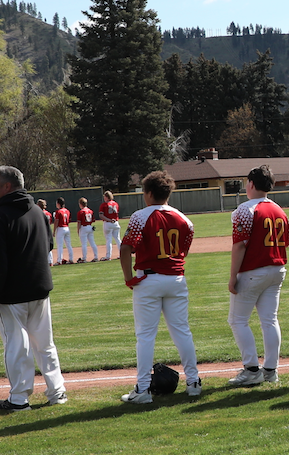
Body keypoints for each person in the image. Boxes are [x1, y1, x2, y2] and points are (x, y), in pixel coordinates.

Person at [0, 165, 67, 411]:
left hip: (12, 295)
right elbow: (48, 245)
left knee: (17, 346)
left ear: (7, 187)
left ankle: (19, 399)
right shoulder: (39, 212)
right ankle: (57, 392)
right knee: (45, 344)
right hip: (39, 290)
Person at [119, 171, 201, 404]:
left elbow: (125, 249)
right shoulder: (185, 219)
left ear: (150, 193)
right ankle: (193, 382)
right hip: (176, 278)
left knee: (145, 336)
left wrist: (128, 278)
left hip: (148, 279)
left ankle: (143, 390)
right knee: (182, 332)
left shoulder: (140, 216)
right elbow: (183, 250)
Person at [226, 165, 289, 387]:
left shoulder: (245, 209)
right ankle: (270, 370)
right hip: (277, 269)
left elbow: (239, 246)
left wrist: (233, 276)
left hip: (254, 270)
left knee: (237, 319)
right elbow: (286, 242)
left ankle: (252, 369)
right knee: (269, 319)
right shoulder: (279, 209)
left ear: (251, 184)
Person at [99, 191, 122, 260]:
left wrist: (109, 220)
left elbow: (101, 215)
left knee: (109, 240)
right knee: (118, 239)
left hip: (108, 223)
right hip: (116, 222)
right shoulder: (115, 203)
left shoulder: (104, 205)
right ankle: (122, 254)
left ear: (106, 197)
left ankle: (108, 256)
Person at [75, 197, 99, 263]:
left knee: (84, 244)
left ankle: (84, 258)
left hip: (84, 227)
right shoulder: (90, 211)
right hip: (90, 227)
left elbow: (79, 222)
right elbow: (93, 220)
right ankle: (96, 257)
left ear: (80, 204)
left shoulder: (81, 212)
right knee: (92, 243)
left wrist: (78, 230)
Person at [53, 197, 74, 265]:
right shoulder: (67, 211)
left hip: (60, 228)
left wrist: (54, 231)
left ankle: (59, 260)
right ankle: (71, 259)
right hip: (67, 227)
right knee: (68, 244)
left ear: (58, 204)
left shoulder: (58, 211)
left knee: (60, 245)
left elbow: (56, 221)